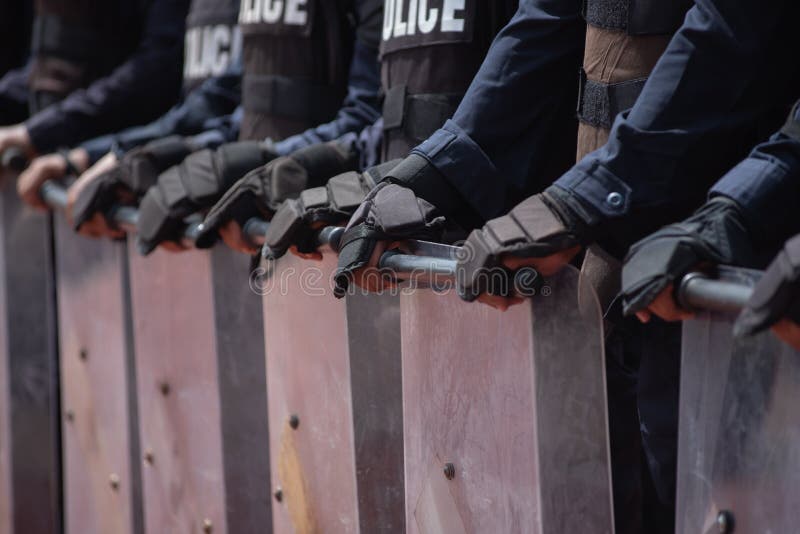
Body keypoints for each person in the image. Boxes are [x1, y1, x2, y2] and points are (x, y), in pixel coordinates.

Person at [331, 1, 800, 532]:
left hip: (712, 290)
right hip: (605, 284)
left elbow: (736, 33)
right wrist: (428, 177)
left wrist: (727, 209)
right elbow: (545, 28)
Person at [0, 0, 188, 160]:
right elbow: (47, 67)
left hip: (111, 155)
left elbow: (153, 74)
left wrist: (41, 132)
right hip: (48, 149)